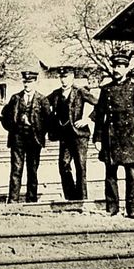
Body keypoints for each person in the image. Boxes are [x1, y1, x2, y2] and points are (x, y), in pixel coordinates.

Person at [93, 52, 134, 218]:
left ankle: (132, 209)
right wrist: (97, 137)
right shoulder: (106, 89)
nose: (116, 69)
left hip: (129, 138)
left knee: (131, 175)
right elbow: (99, 115)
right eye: (115, 66)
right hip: (110, 137)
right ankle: (112, 208)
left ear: (126, 68)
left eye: (120, 66)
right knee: (110, 174)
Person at [47, 66, 98, 201]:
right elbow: (43, 103)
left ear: (72, 78)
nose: (64, 80)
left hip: (79, 135)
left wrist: (87, 119)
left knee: (80, 167)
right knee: (63, 165)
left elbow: (100, 105)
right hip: (64, 136)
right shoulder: (56, 94)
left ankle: (82, 199)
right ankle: (70, 198)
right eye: (62, 77)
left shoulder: (80, 92)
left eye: (67, 77)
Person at [1, 71, 51, 202]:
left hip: (34, 140)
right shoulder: (15, 98)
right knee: (16, 169)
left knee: (32, 170)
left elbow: (48, 121)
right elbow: (5, 117)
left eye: (30, 82)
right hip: (18, 138)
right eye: (25, 82)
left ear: (35, 82)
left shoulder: (42, 100)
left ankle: (31, 199)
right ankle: (13, 200)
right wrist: (14, 126)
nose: (27, 85)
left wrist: (40, 133)